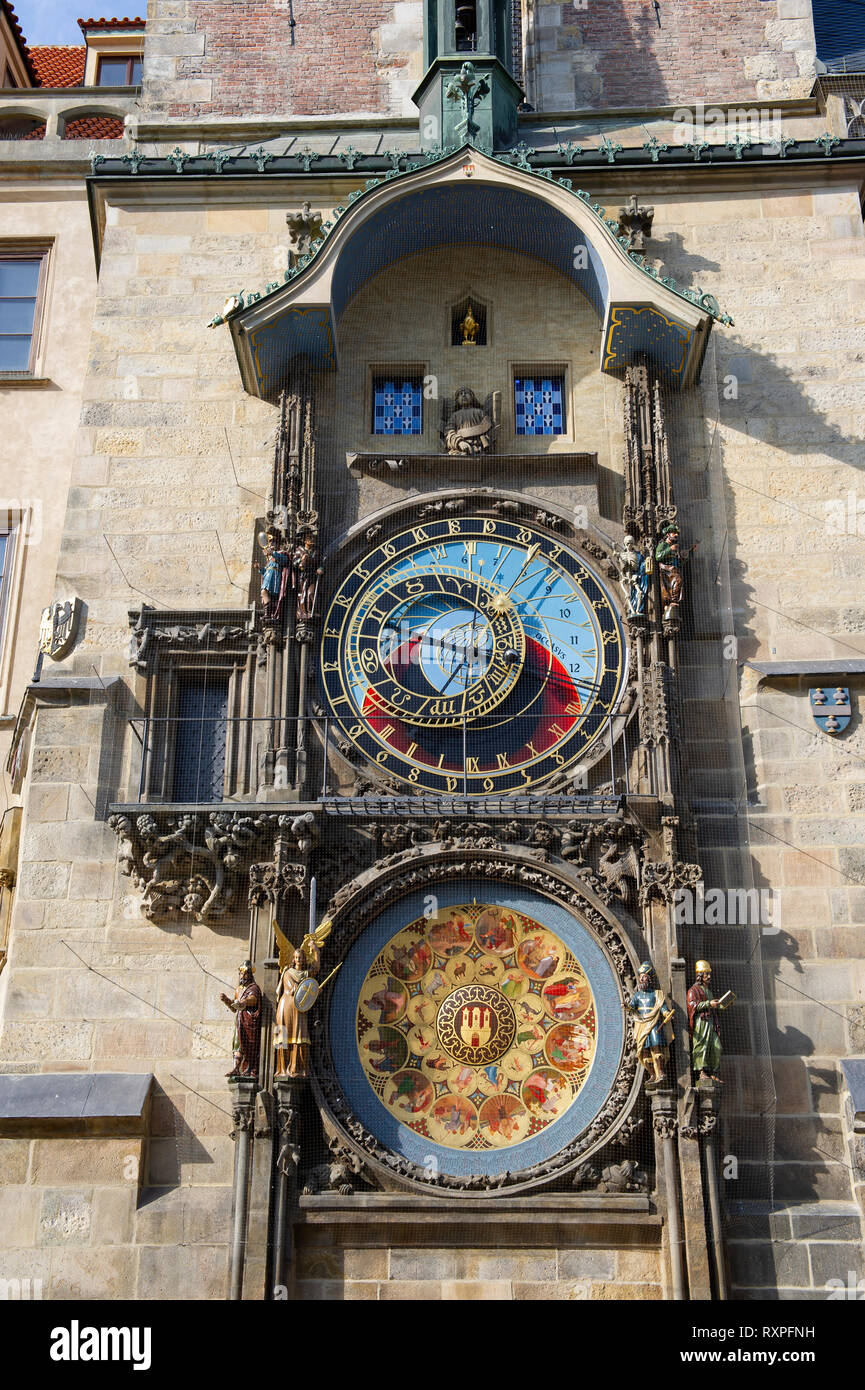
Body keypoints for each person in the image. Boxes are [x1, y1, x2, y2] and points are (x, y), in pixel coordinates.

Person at [274, 941, 320, 1078]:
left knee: (300, 1035)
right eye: (296, 957)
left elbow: (316, 968)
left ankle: (297, 1067)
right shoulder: (288, 972)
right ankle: (282, 1068)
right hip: (286, 1005)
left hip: (299, 1007)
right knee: (283, 1035)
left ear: (304, 959)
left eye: (300, 958)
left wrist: (316, 950)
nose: (298, 960)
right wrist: (296, 989)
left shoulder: (306, 974)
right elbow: (291, 989)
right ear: (293, 959)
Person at [626, 960, 673, 1090]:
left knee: (656, 1047)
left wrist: (666, 1013)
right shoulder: (638, 996)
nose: (642, 980)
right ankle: (652, 1074)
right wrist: (627, 1007)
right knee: (644, 1051)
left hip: (654, 1023)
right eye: (641, 977)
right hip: (642, 1024)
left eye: (644, 977)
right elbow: (632, 1008)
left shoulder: (656, 994)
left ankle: (661, 1072)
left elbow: (662, 1007)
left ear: (649, 979)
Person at [220, 960, 262, 1079]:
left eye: (245, 974)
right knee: (237, 1045)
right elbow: (234, 1008)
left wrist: (243, 1002)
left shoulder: (253, 988)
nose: (243, 976)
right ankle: (236, 1068)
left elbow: (253, 999)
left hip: (248, 1023)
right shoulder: (239, 989)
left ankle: (248, 1068)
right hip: (239, 1023)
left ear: (250, 975)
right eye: (241, 974)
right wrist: (227, 1000)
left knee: (247, 1045)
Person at [687, 959, 723, 1084]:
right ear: (700, 976)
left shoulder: (709, 991)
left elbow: (711, 1005)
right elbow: (692, 1005)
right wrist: (709, 1003)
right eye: (706, 974)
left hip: (711, 1022)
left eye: (709, 974)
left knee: (716, 1047)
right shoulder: (693, 990)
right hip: (701, 1022)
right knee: (701, 1046)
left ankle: (713, 1072)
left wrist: (719, 1005)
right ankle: (701, 1072)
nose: (708, 977)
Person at [441, 387, 495, 455]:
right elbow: (449, 434)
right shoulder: (454, 416)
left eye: (466, 393)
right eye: (460, 394)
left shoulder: (480, 413)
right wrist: (459, 442)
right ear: (457, 400)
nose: (463, 395)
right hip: (460, 449)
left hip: (479, 449)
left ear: (472, 398)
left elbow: (489, 430)